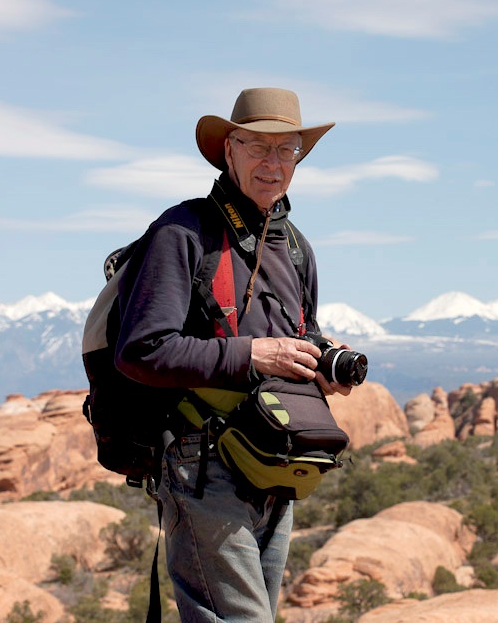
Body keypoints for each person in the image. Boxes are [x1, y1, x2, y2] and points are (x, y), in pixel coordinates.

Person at [114, 87, 355, 621]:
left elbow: (301, 331)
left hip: (273, 459)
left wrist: (322, 362)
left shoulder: (295, 246)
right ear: (229, 151)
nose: (273, 163)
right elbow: (140, 351)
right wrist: (253, 355)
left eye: (286, 150)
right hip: (202, 462)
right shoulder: (184, 231)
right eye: (257, 147)